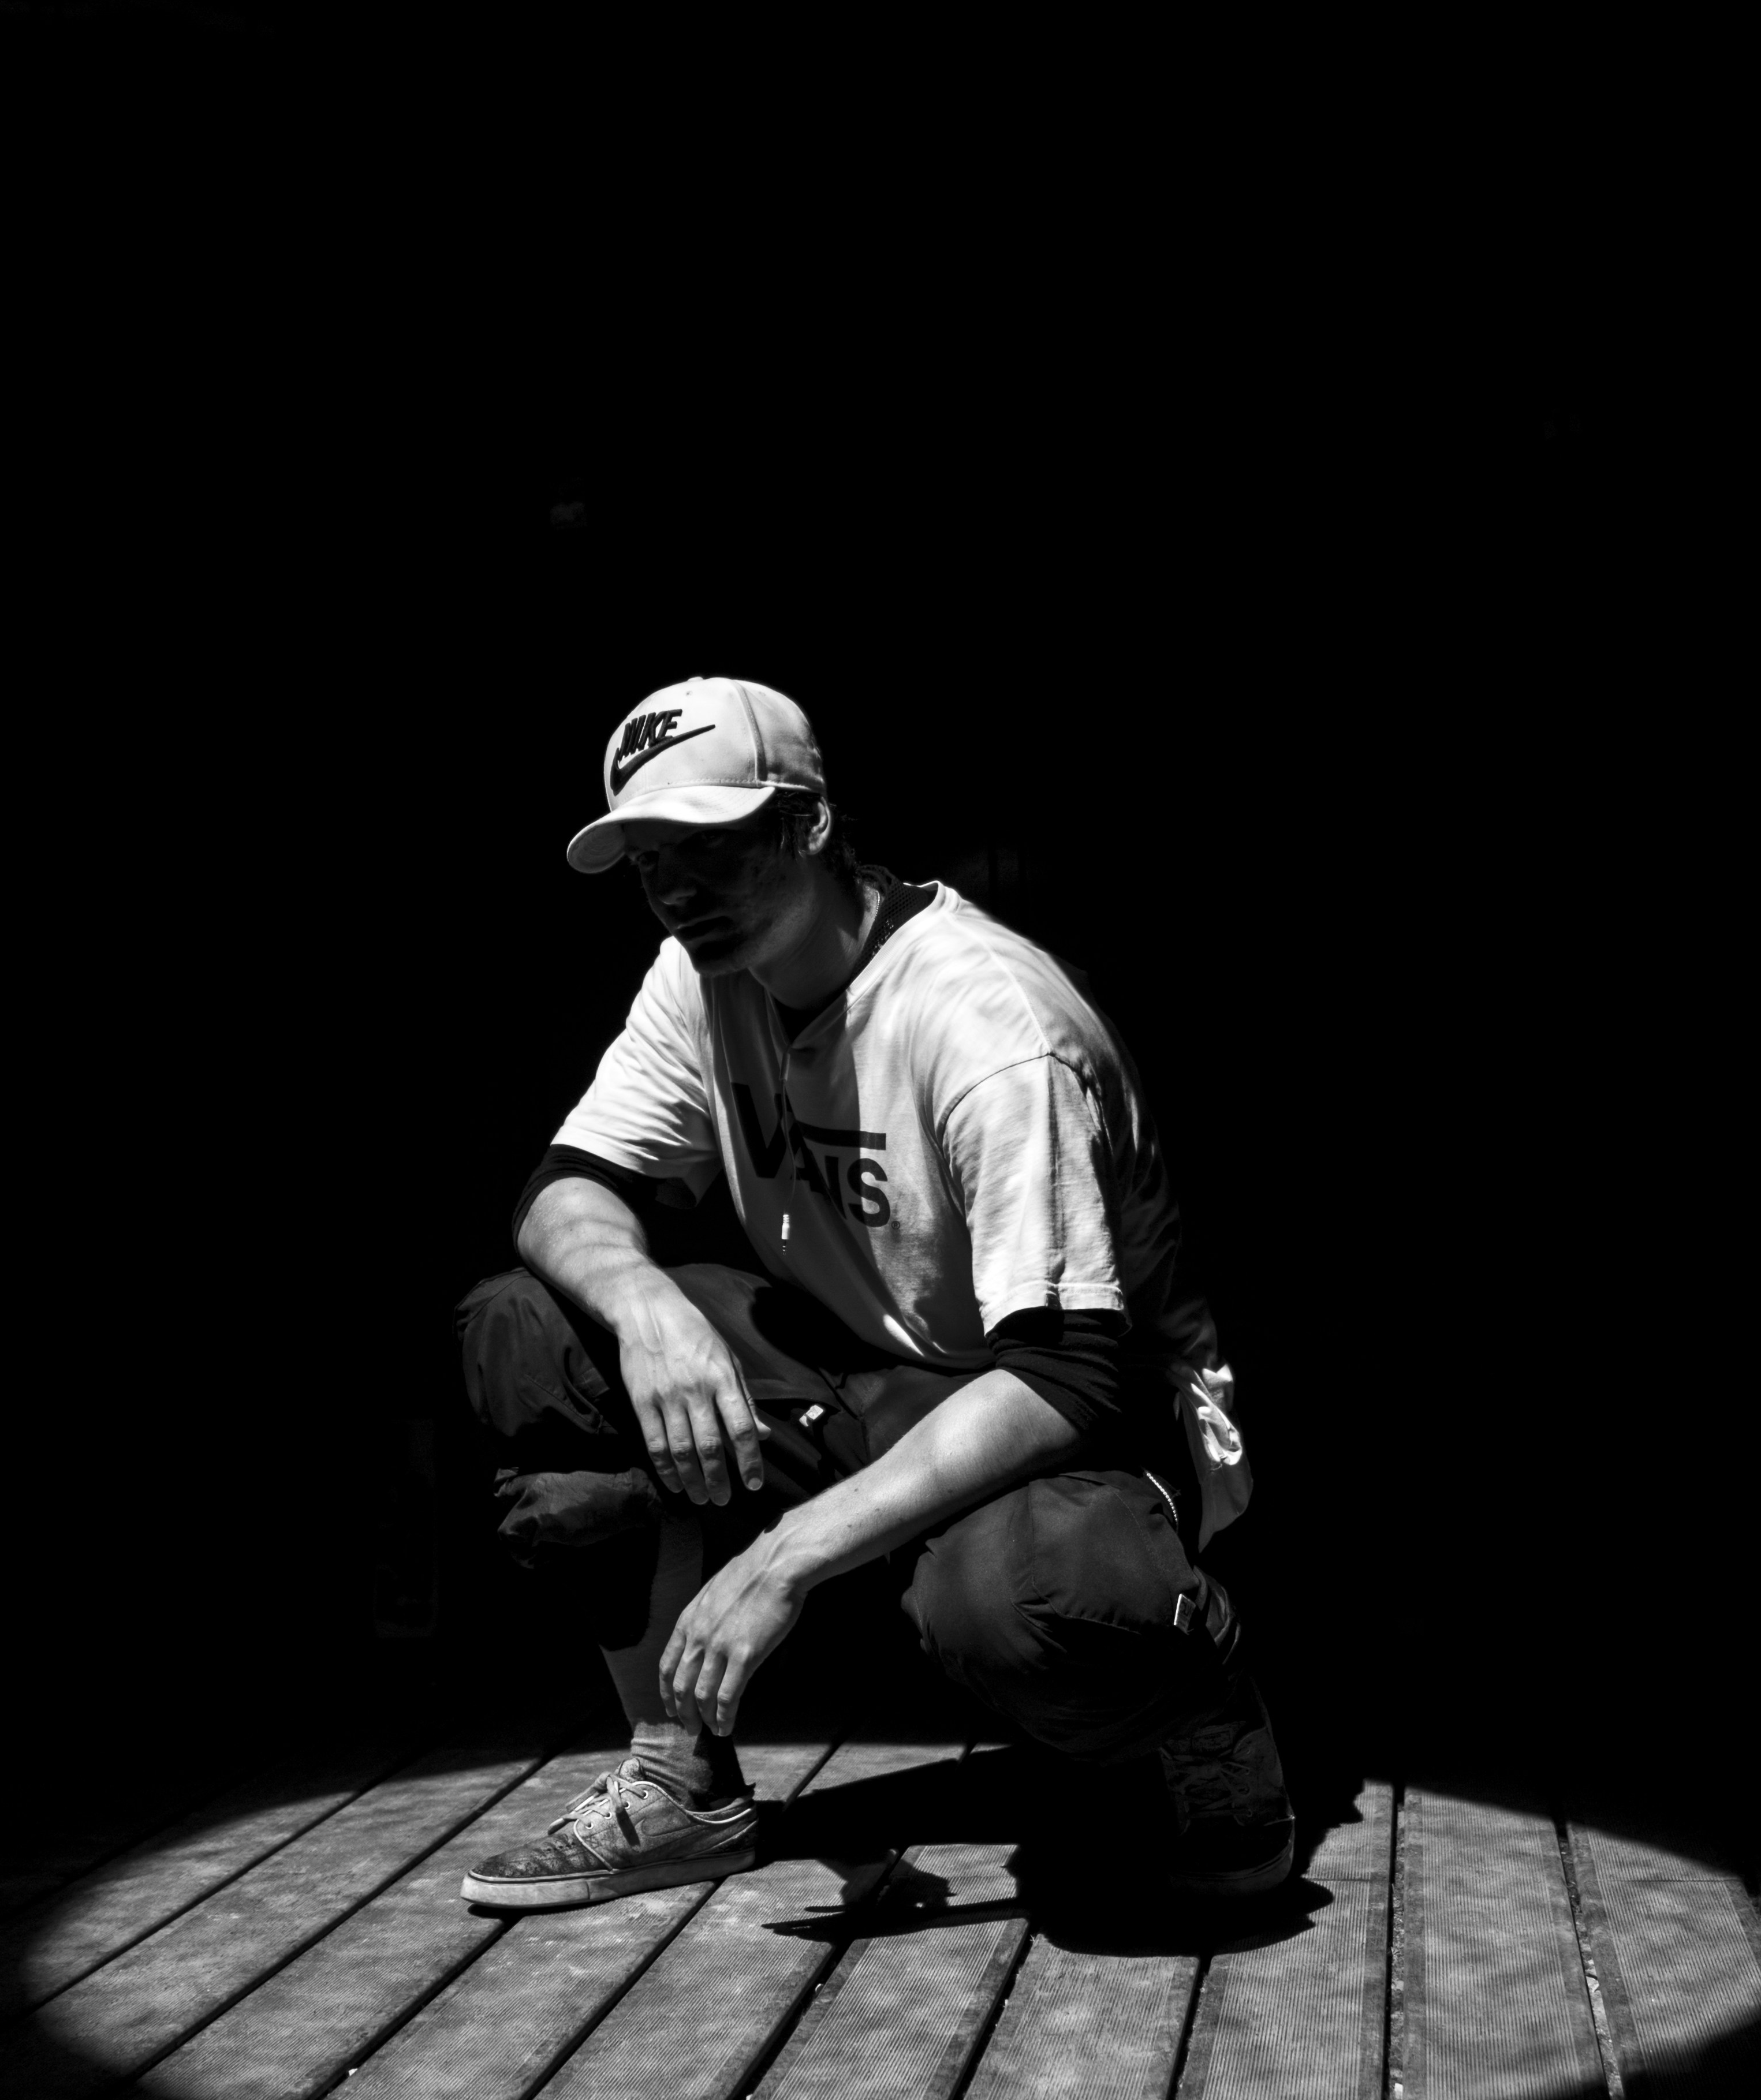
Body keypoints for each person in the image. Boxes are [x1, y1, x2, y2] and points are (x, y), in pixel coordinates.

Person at [454, 674, 1290, 1912]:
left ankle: (1206, 1711)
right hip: (861, 1370)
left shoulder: (987, 1021)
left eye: (707, 848)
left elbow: (1071, 1371)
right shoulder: (701, 973)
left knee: (1021, 1611)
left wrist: (788, 1555)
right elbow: (562, 1187)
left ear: (806, 822)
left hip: (1075, 1415)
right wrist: (642, 1306)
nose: (678, 891)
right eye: (648, 863)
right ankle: (678, 1780)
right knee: (528, 1324)